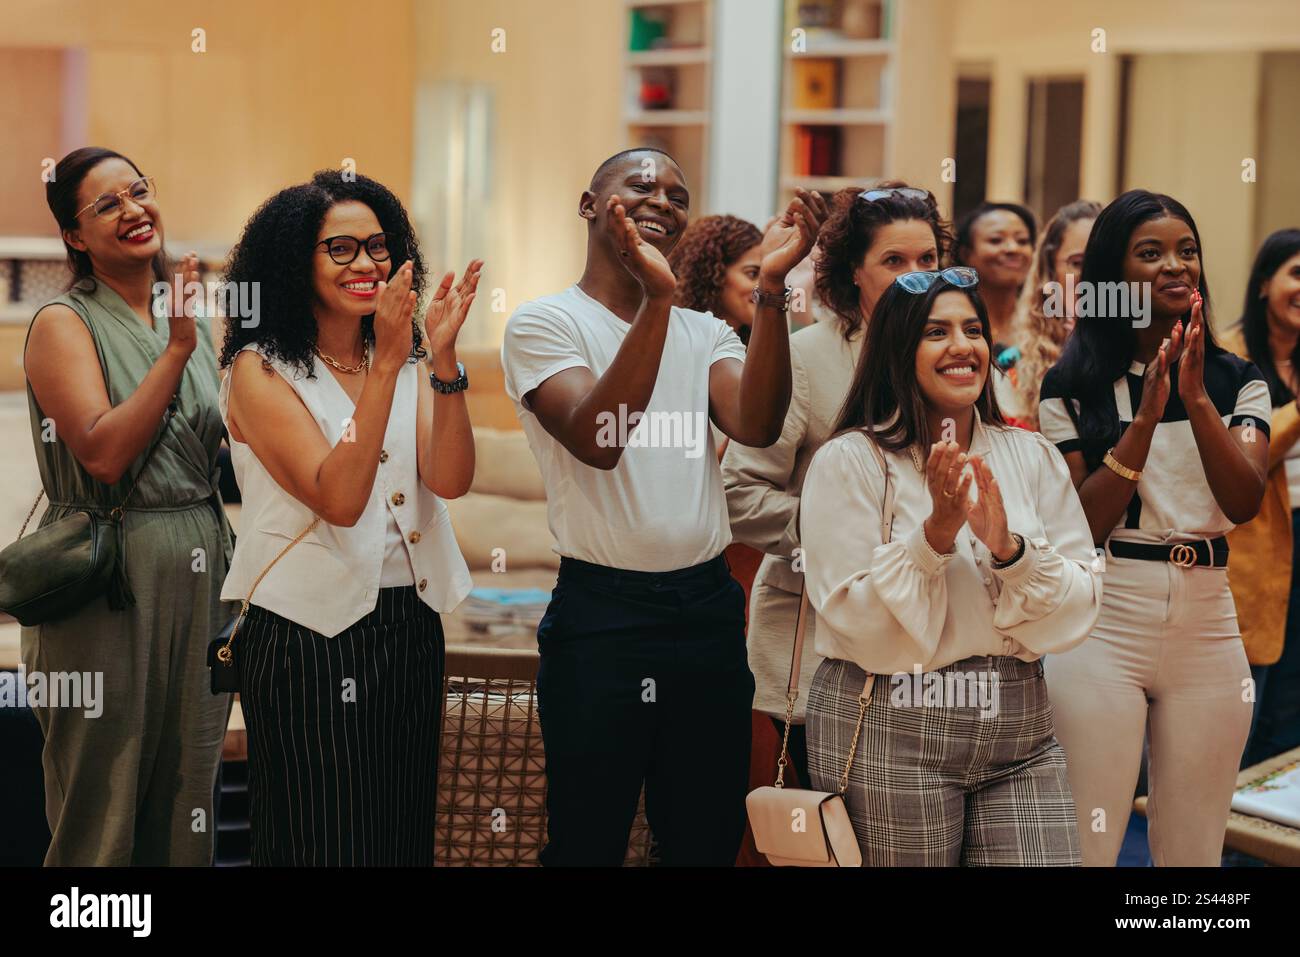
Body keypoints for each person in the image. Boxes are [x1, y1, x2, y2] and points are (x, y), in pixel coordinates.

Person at [501, 148, 827, 866]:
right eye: (641, 185)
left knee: (704, 839)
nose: (662, 201)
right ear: (590, 205)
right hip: (602, 620)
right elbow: (599, 436)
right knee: (588, 840)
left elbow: (757, 423)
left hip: (705, 615)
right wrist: (657, 298)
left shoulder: (704, 331)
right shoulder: (542, 324)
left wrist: (771, 286)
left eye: (678, 193)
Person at [799, 266, 1102, 866]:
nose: (962, 347)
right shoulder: (849, 461)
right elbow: (859, 626)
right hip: (889, 714)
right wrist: (935, 534)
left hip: (1019, 722)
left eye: (972, 330)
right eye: (937, 332)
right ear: (898, 348)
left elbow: (1080, 602)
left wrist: (1009, 553)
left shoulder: (1032, 455)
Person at [219, 170, 478, 866]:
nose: (367, 264)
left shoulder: (404, 358)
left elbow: (451, 478)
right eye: (341, 248)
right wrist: (392, 363)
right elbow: (338, 496)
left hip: (409, 624)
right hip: (307, 637)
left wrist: (442, 359)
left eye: (378, 246)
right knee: (322, 841)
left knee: (398, 839)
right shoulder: (260, 369)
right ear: (294, 261)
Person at [1039, 190, 1270, 866]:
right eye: (1151, 253)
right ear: (1113, 274)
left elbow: (1245, 496)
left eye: (1187, 250)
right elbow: (1082, 521)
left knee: (1193, 849)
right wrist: (1145, 418)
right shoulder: (1071, 385)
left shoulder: (1238, 380)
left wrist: (1194, 396)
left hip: (1208, 613)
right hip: (1106, 615)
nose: (1176, 265)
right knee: (1088, 839)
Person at [23, 147, 234, 865]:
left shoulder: (190, 316)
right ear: (75, 237)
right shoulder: (63, 321)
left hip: (201, 567)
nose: (134, 209)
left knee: (188, 795)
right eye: (106, 204)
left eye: (138, 191)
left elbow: (212, 450)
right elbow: (104, 453)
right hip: (107, 573)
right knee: (102, 806)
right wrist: (176, 349)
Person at [722, 182, 950, 789]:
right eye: (894, 261)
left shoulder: (957, 350)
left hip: (939, 649)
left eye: (928, 260)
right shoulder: (807, 358)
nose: (915, 277)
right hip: (821, 648)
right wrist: (848, 533)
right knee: (835, 838)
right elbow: (738, 494)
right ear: (854, 273)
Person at [1222, 228, 1300, 768]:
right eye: (1297, 273)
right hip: (1255, 555)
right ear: (1264, 283)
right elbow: (1244, 460)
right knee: (1248, 717)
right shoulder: (1231, 358)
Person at [1003, 200, 1101, 428]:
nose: (1095, 275)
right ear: (1050, 272)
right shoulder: (1011, 368)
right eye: (1078, 263)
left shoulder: (1150, 357)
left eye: (1107, 261)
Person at [954, 202, 1037, 414]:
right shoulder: (948, 323)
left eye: (1022, 241)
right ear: (965, 253)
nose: (1012, 249)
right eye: (996, 240)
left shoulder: (1045, 323)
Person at [669, 214, 763, 346]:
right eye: (752, 274)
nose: (764, 286)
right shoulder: (676, 341)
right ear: (713, 275)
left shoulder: (756, 349)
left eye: (766, 276)